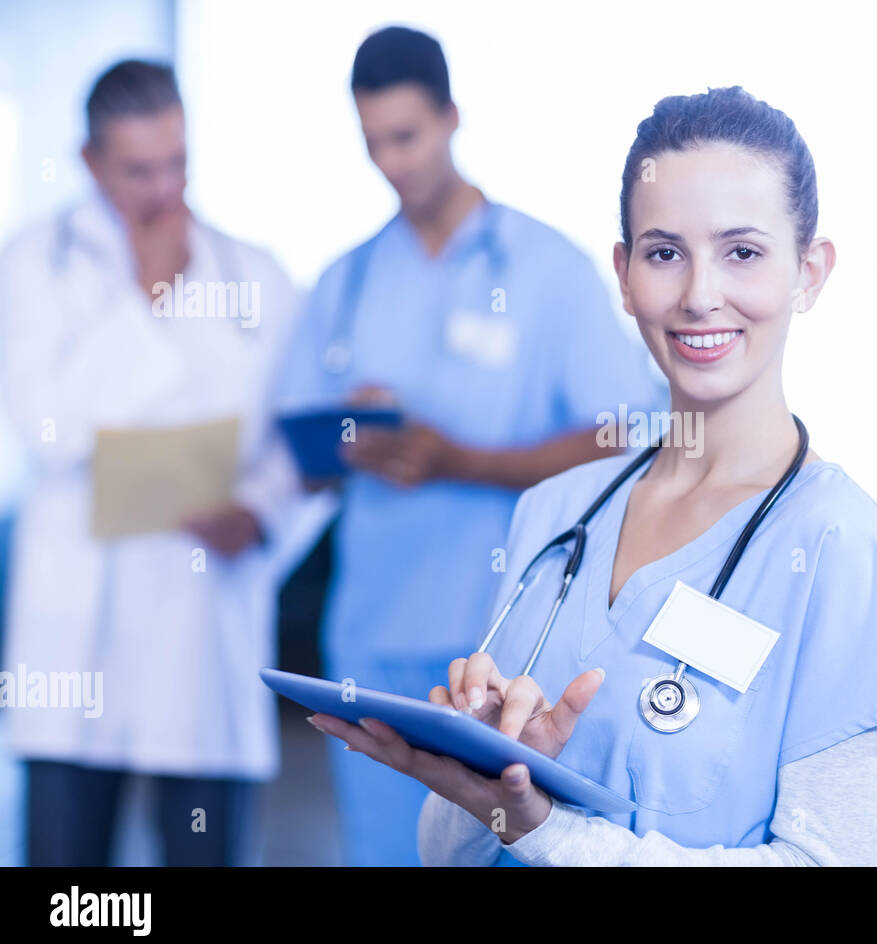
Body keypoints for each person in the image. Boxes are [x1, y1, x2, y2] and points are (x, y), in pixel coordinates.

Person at [308, 84, 877, 866]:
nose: (701, 295)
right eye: (666, 253)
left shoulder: (842, 546)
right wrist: (482, 781)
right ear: (626, 273)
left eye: (742, 252)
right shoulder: (553, 516)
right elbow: (447, 852)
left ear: (810, 273)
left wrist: (548, 827)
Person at [275, 27, 666, 865]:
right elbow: (302, 471)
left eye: (408, 136)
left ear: (452, 117)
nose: (393, 161)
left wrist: (461, 460)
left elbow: (625, 437)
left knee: (506, 848)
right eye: (373, 141)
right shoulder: (345, 285)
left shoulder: (546, 270)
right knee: (387, 854)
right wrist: (348, 433)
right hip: (376, 638)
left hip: (511, 645)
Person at [0, 60, 304, 865]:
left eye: (177, 162)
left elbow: (296, 448)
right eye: (138, 170)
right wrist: (150, 296)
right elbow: (51, 428)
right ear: (91, 161)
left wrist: (259, 511)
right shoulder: (35, 265)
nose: (163, 190)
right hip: (75, 643)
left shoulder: (256, 278)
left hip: (201, 625)